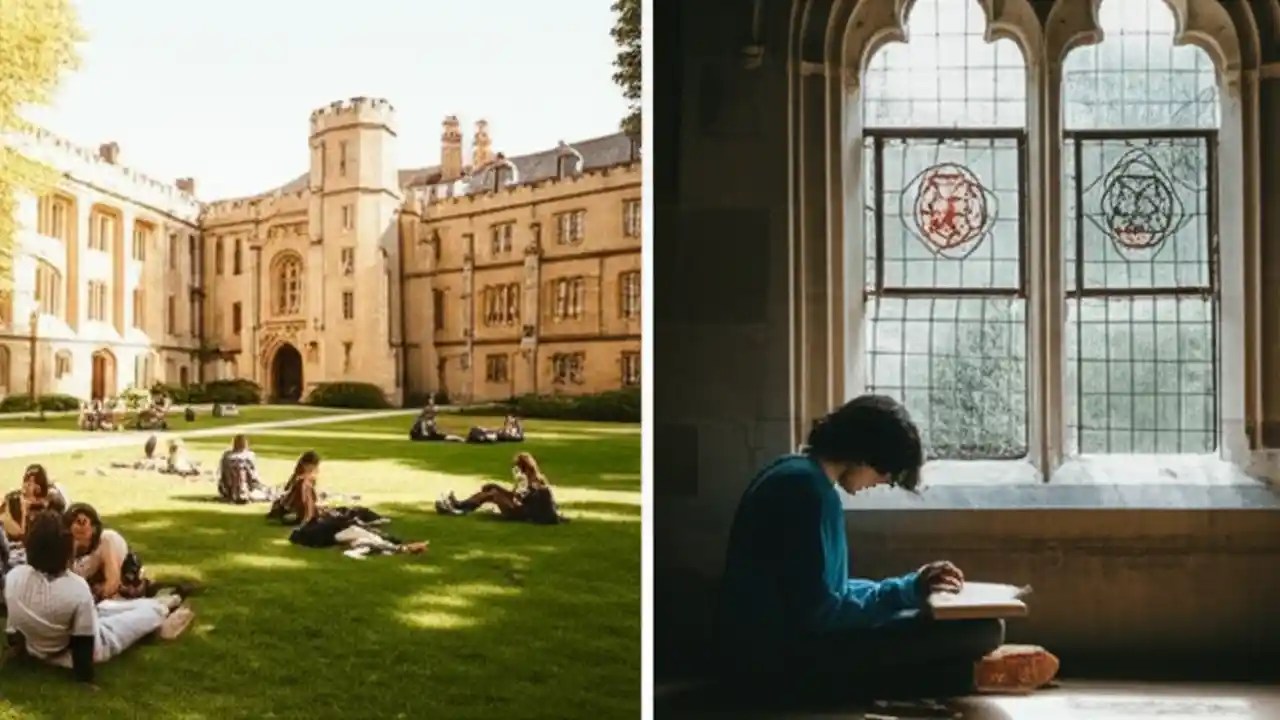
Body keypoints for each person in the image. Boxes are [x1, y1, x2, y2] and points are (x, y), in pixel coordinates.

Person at [715, 394, 1059, 701]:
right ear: (866, 455)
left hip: (763, 655)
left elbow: (823, 594)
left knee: (965, 630)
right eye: (887, 473)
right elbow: (820, 615)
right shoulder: (809, 492)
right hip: (781, 666)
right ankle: (969, 674)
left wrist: (910, 588)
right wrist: (901, 599)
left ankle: (963, 674)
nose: (882, 482)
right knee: (982, 631)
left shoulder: (792, 472)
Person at [3, 511, 193, 684]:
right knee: (148, 612)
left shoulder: (14, 577)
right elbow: (84, 643)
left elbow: (14, 630)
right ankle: (168, 603)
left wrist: (20, 651)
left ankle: (160, 600)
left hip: (40, 645)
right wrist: (85, 681)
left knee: (107, 607)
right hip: (85, 646)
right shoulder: (76, 587)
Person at [270, 451, 426, 558]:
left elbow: (308, 511)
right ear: (309, 466)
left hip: (314, 532)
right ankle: (399, 545)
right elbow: (308, 511)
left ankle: (397, 545)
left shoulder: (302, 483)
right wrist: (317, 515)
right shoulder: (304, 484)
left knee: (358, 531)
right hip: (315, 531)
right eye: (316, 467)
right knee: (356, 526)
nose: (318, 471)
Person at [435, 452, 566, 525]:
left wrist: (517, 485)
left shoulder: (534, 482)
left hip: (524, 513)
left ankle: (460, 508)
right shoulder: (529, 480)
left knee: (493, 494)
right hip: (522, 509)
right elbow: (516, 497)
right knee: (492, 489)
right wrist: (496, 486)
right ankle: (461, 504)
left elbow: (519, 499)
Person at [65, 503, 151, 602]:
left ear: (95, 528)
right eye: (75, 522)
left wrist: (93, 598)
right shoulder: (66, 548)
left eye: (83, 522)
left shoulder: (106, 539)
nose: (80, 526)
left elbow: (112, 584)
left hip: (122, 598)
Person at [1, 464, 70, 542]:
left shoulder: (53, 499)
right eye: (26, 481)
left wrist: (30, 506)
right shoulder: (14, 500)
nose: (26, 486)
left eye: (31, 483)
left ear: (38, 488)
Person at [218, 434, 270, 503]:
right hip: (246, 486)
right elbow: (254, 475)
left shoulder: (227, 455)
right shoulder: (250, 456)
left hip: (228, 489)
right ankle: (243, 491)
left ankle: (238, 492)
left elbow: (222, 472)